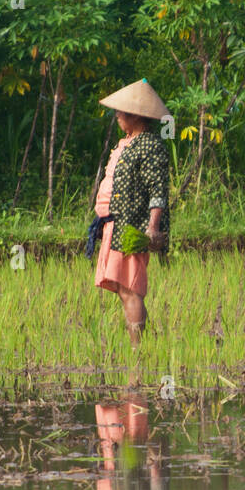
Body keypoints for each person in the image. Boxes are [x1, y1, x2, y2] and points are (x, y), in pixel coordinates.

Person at [93, 79, 172, 347]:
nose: (117, 117)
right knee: (124, 290)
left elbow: (158, 189)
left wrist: (153, 227)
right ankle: (143, 345)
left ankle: (138, 350)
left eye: (120, 112)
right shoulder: (127, 143)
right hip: (115, 226)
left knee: (130, 289)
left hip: (132, 228)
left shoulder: (149, 146)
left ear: (136, 115)